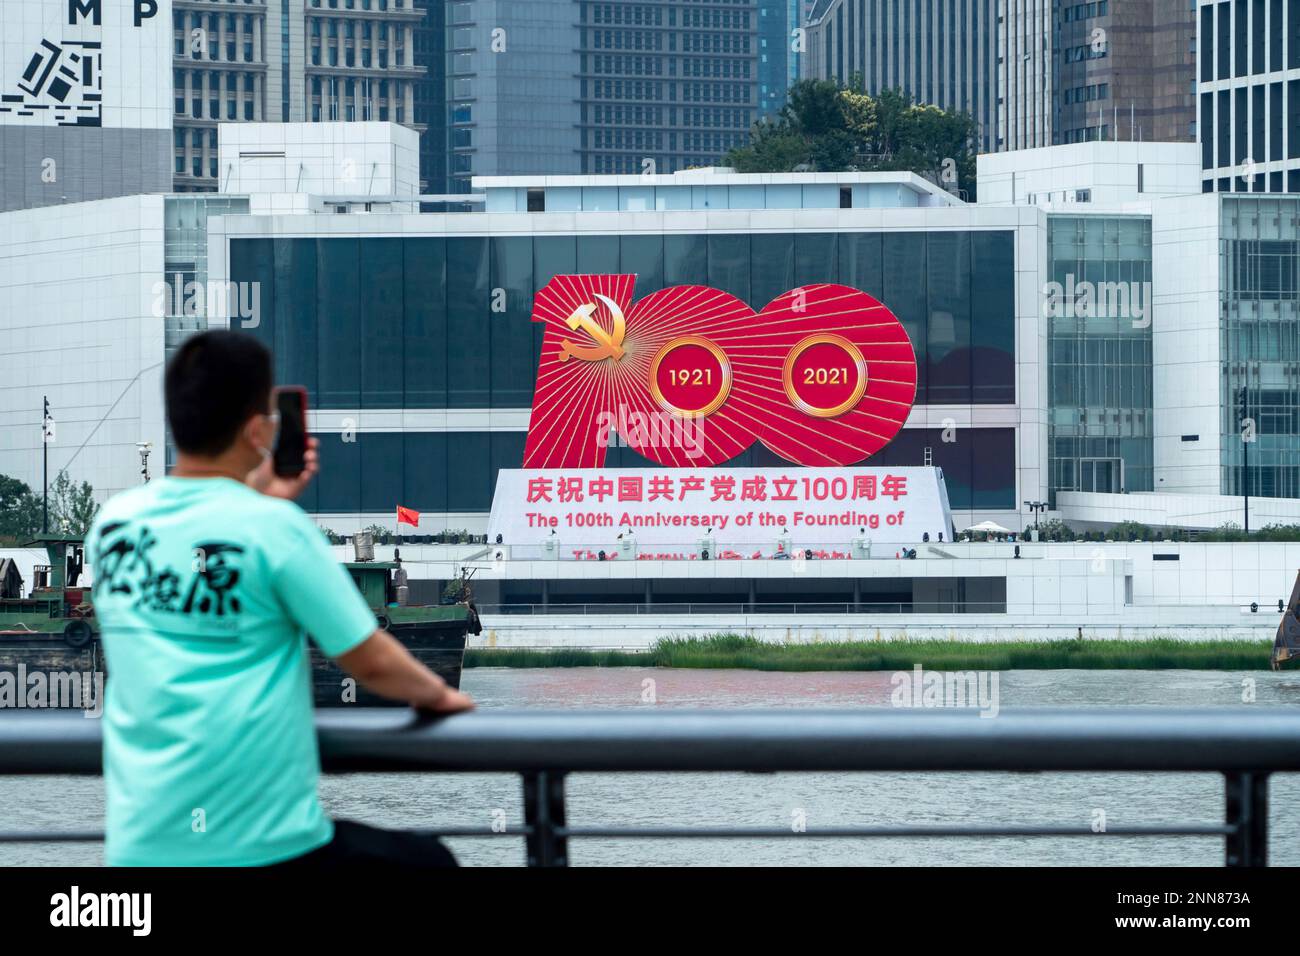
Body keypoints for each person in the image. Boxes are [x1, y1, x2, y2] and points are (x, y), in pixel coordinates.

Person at [87, 330, 473, 867]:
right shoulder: (274, 528)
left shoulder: (113, 526)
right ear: (256, 430)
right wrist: (442, 697)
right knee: (431, 861)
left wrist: (257, 499)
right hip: (263, 850)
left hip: (140, 853)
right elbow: (367, 657)